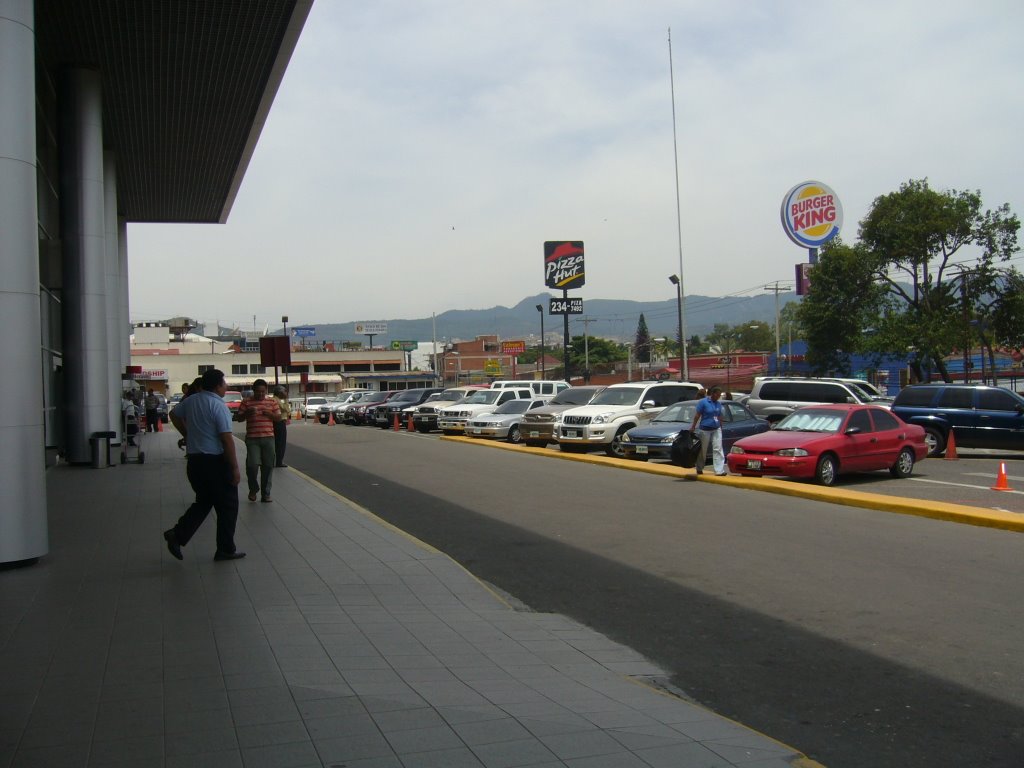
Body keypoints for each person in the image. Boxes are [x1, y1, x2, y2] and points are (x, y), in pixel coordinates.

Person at [164, 368, 245, 561]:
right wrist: (234, 468)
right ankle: (225, 548)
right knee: (228, 506)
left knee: (205, 501)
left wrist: (187, 434)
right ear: (218, 385)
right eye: (224, 383)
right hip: (215, 462)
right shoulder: (219, 406)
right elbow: (226, 439)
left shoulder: (192, 400)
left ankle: (178, 534)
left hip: (195, 462)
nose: (226, 386)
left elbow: (174, 414)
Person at [233, 378, 281, 502]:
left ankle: (266, 493)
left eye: (263, 392)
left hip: (268, 438)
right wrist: (247, 413)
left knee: (268, 466)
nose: (260, 394)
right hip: (252, 439)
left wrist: (270, 414)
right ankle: (253, 488)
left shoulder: (272, 402)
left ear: (266, 391)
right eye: (258, 392)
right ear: (253, 391)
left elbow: (279, 418)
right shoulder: (246, 402)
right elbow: (238, 418)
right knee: (252, 465)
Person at [690, 386, 727, 476]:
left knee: (718, 448)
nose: (718, 397)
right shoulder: (703, 402)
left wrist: (721, 427)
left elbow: (719, 416)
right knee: (703, 450)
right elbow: (697, 415)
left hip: (716, 428)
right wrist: (693, 426)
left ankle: (719, 470)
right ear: (713, 394)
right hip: (705, 429)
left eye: (719, 395)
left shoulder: (718, 404)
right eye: (717, 395)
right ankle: (699, 467)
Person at [273, 386, 290, 468]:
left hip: (280, 422)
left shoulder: (277, 400)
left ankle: (278, 460)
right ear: (280, 393)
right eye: (284, 392)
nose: (285, 393)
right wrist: (286, 399)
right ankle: (279, 461)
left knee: (279, 443)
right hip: (279, 423)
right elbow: (286, 409)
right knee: (280, 443)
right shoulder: (276, 400)